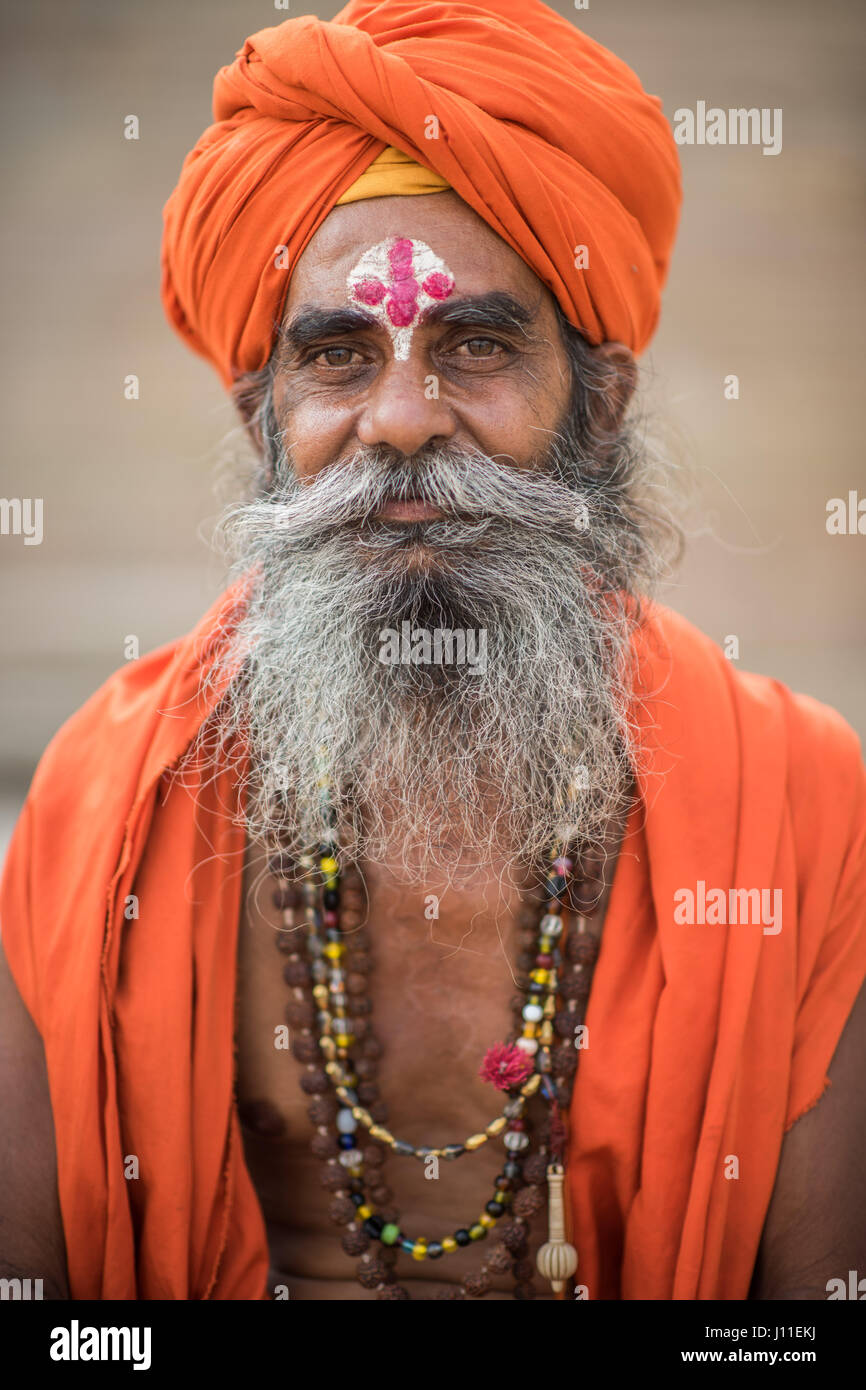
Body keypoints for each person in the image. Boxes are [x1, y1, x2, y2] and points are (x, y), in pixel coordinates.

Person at [1, 0, 864, 1302]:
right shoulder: (103, 803)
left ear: (601, 400)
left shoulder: (802, 804)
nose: (402, 418)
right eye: (337, 355)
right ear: (263, 418)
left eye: (475, 344)